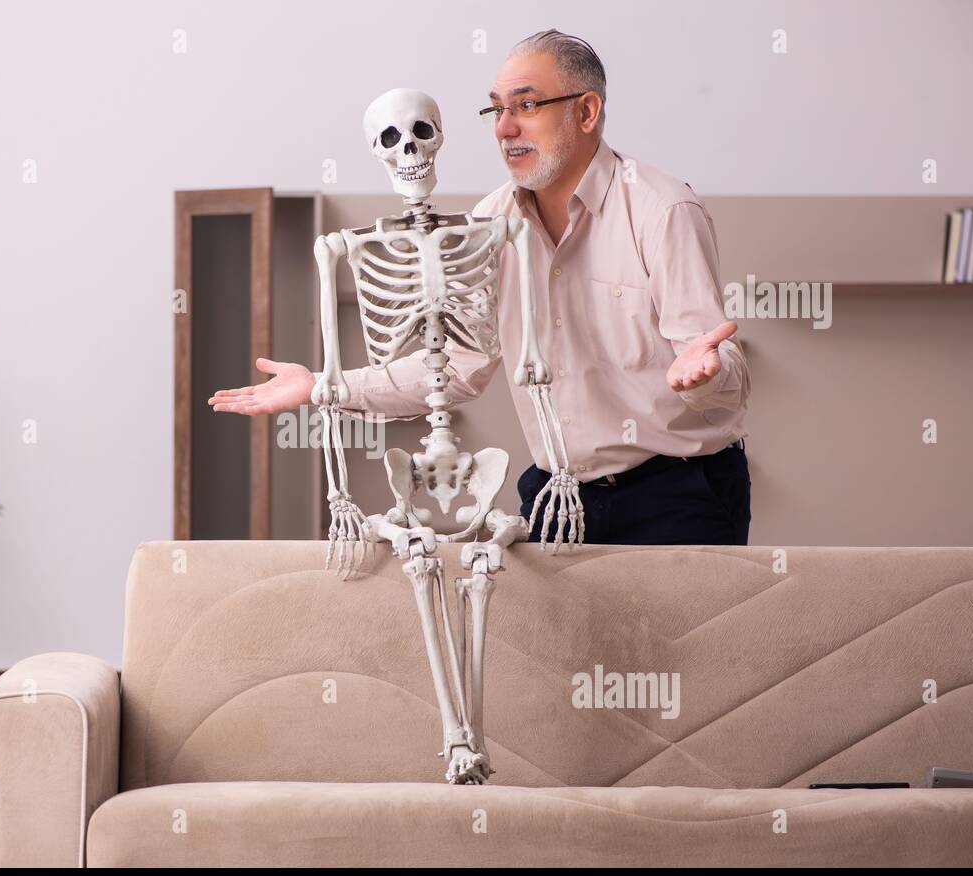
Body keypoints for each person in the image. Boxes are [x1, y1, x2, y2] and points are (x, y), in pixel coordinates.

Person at [209, 29, 751, 546]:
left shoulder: (662, 210)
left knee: (684, 647)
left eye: (527, 105)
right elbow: (460, 366)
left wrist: (702, 374)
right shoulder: (489, 224)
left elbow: (718, 366)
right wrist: (325, 387)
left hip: (678, 492)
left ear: (587, 111)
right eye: (496, 108)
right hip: (555, 497)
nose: (504, 128)